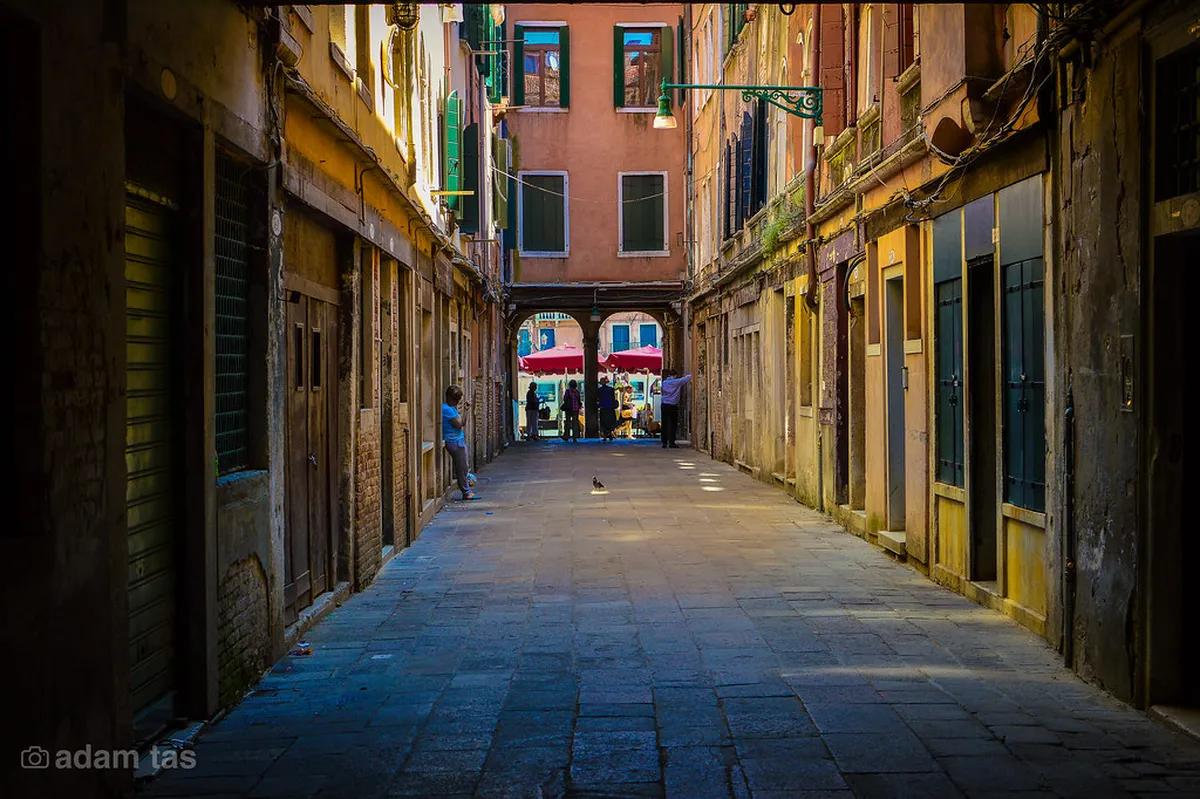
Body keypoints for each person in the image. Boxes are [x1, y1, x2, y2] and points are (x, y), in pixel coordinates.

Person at [442, 385, 479, 500]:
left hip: (457, 440)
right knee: (462, 468)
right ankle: (466, 492)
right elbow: (460, 424)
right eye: (457, 400)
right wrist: (466, 411)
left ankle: (466, 490)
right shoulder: (447, 409)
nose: (457, 402)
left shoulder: (450, 408)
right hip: (454, 441)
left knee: (463, 467)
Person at [659, 369, 692, 448]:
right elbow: (686, 379)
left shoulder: (664, 382)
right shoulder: (676, 382)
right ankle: (671, 442)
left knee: (664, 423)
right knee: (673, 424)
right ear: (675, 375)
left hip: (664, 404)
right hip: (672, 405)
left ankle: (664, 442)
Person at [596, 375, 618, 441]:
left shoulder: (599, 390)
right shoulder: (611, 389)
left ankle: (605, 436)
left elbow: (598, 399)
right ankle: (610, 434)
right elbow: (613, 398)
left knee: (604, 422)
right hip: (610, 408)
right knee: (610, 422)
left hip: (603, 408)